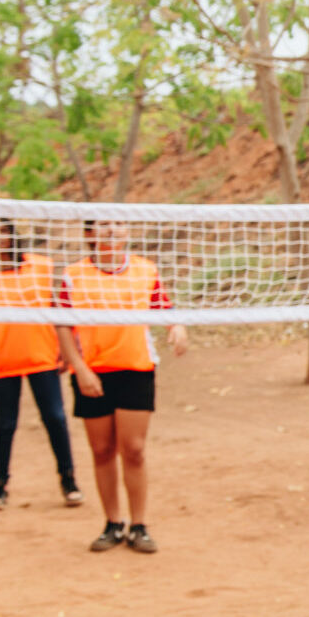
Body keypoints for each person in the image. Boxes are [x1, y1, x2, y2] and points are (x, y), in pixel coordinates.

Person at [55, 220, 191, 554]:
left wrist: (177, 326)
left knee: (134, 449)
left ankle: (139, 525)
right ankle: (112, 523)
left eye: (118, 224)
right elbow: (62, 325)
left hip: (135, 368)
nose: (111, 230)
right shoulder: (73, 274)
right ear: (89, 233)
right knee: (102, 450)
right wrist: (79, 368)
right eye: (103, 225)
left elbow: (163, 308)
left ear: (127, 231)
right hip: (92, 371)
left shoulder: (145, 269)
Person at [0, 218, 82, 510]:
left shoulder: (39, 266)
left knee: (54, 417)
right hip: (1, 358)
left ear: (12, 233)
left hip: (41, 353)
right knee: (5, 423)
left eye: (3, 230)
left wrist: (68, 348)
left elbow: (58, 307)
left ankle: (69, 480)